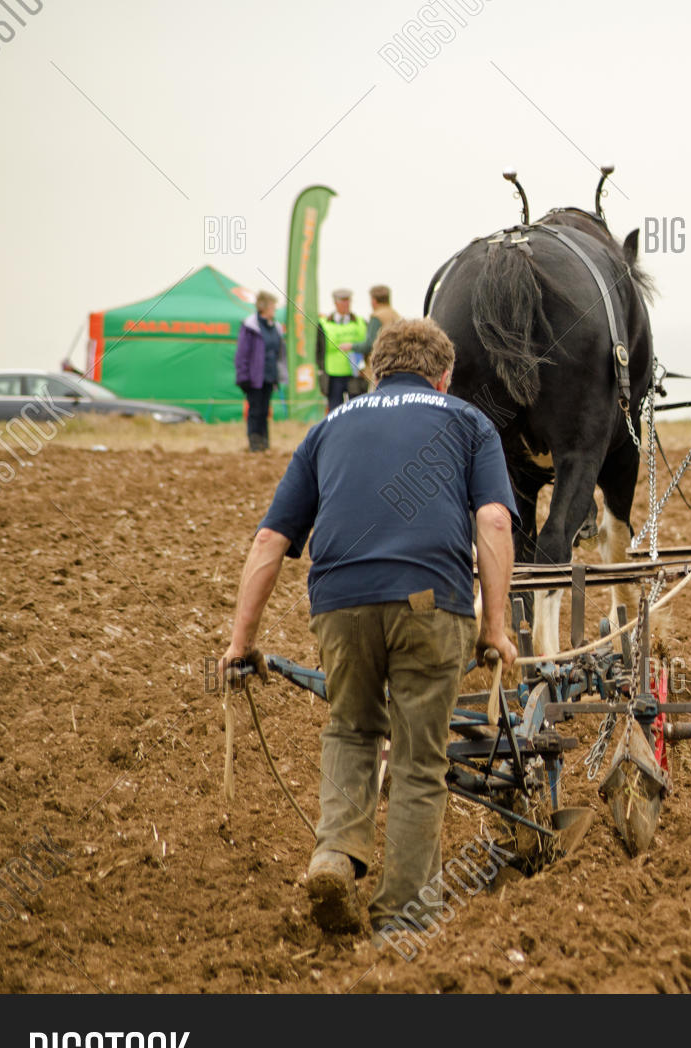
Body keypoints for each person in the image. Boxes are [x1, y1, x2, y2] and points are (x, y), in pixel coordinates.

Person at [219, 318, 519, 941]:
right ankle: (402, 918)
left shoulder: (327, 426)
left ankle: (335, 855)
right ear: (444, 377)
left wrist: (239, 643)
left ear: (373, 372)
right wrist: (497, 628)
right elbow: (493, 520)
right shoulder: (467, 421)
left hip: (339, 604)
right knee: (417, 761)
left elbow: (271, 539)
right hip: (431, 605)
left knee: (352, 728)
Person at [235, 291, 285, 451]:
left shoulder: (275, 327)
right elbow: (242, 353)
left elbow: (279, 353)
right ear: (263, 307)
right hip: (254, 377)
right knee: (255, 410)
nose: (274, 309)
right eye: (272, 306)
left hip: (269, 376)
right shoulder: (250, 327)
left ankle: (265, 443)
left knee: (265, 410)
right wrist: (243, 376)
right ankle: (254, 443)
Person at [317, 288, 367, 412]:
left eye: (348, 300)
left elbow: (367, 347)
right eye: (342, 300)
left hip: (356, 374)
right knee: (335, 412)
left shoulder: (361, 322)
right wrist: (322, 371)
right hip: (333, 375)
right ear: (335, 302)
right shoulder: (323, 323)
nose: (346, 304)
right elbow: (318, 350)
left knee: (357, 411)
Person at [354, 284, 402, 374]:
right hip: (394, 364)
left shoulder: (377, 317)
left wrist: (351, 346)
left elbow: (370, 344)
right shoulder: (396, 315)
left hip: (379, 367)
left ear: (374, 301)